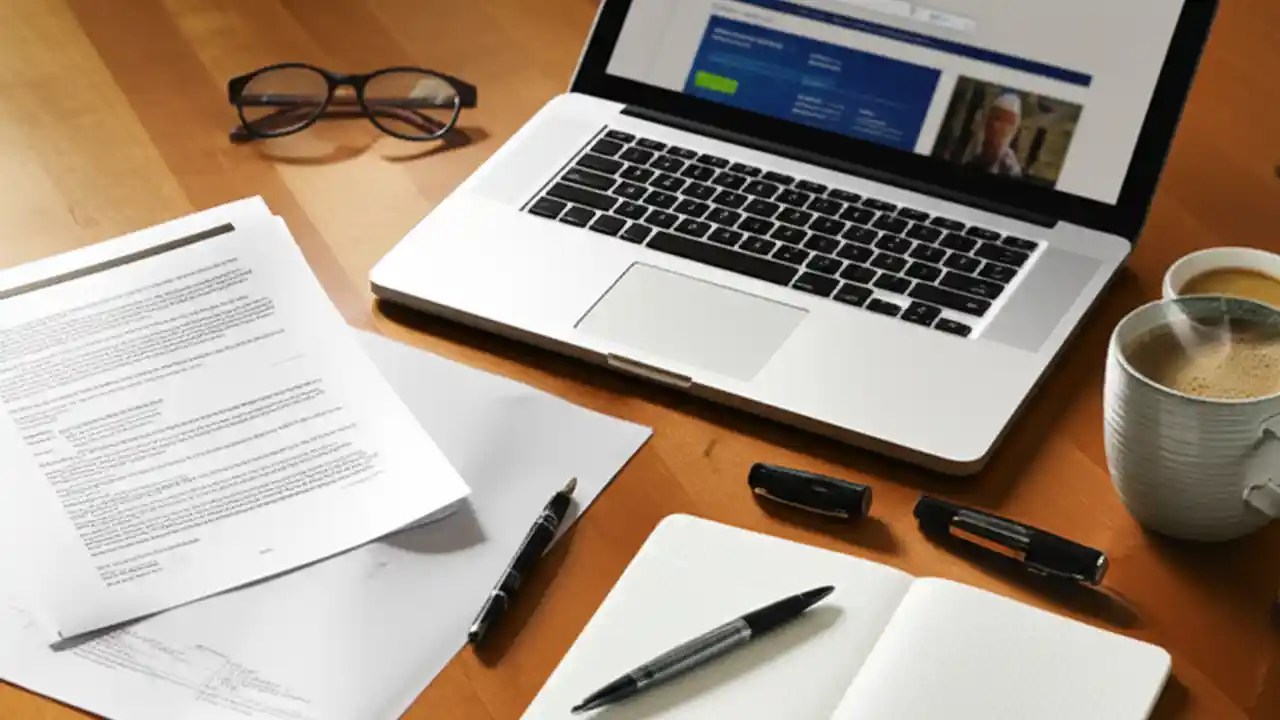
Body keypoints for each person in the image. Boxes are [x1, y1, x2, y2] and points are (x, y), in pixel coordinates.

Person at [967, 92, 1024, 177]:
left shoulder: (1010, 170)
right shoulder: (976, 159)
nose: (995, 125)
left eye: (1007, 122)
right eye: (995, 118)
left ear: (1014, 130)